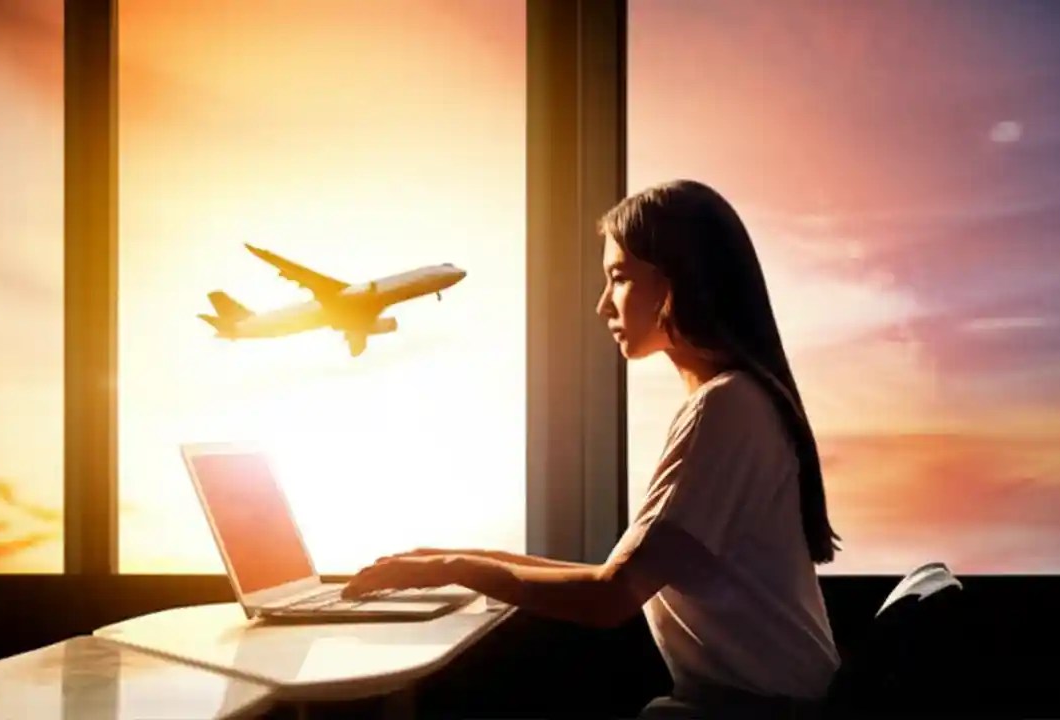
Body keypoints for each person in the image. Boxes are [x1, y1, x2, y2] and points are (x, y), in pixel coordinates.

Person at [341, 180, 842, 718]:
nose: (603, 304)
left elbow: (609, 598)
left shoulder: (725, 410)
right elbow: (616, 574)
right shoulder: (740, 402)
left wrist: (455, 567)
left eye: (619, 278)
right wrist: (447, 560)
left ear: (678, 280)